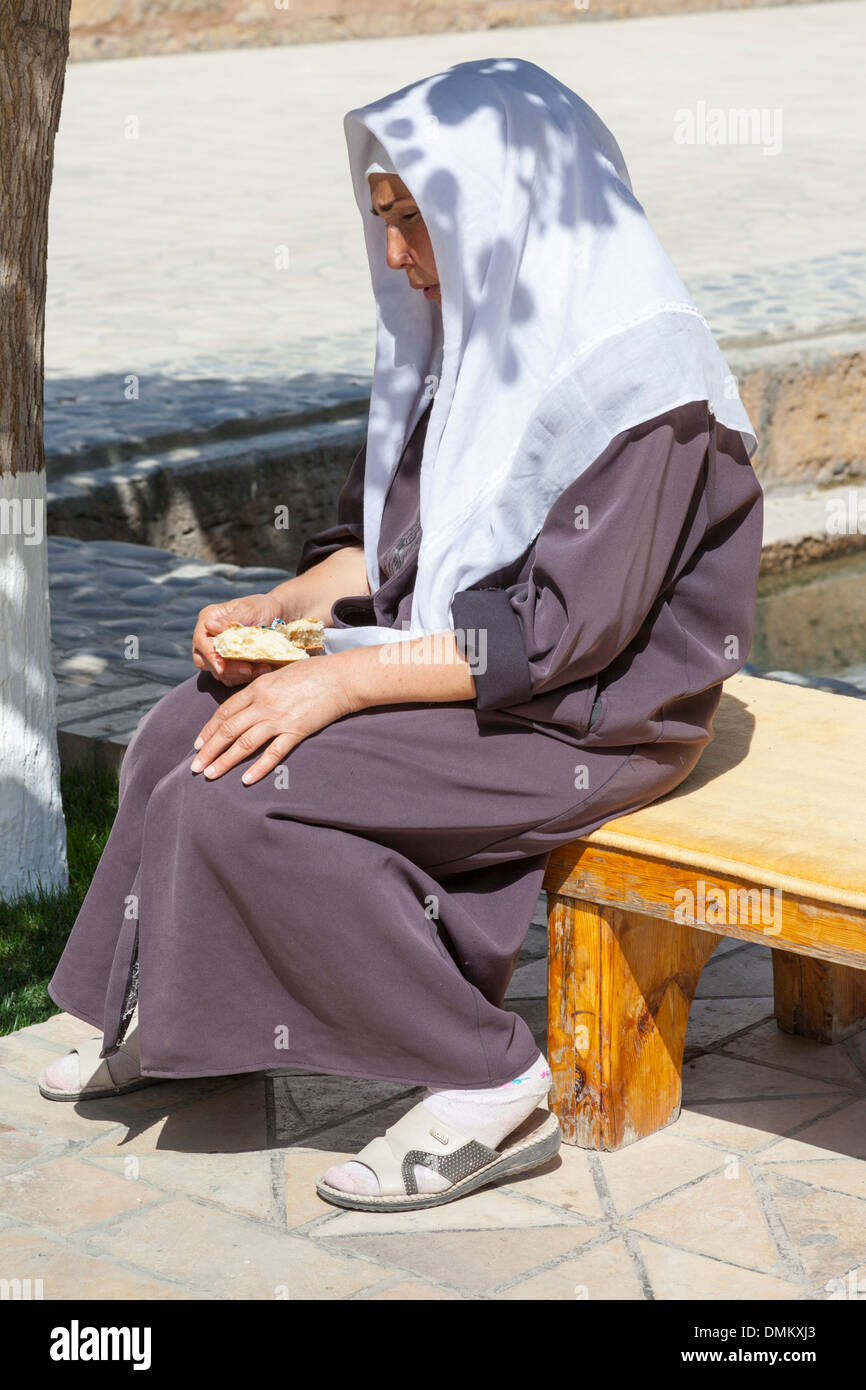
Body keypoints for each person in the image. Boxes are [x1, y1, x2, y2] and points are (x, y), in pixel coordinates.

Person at [37, 58, 763, 1213]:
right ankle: (185, 1019)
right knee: (179, 728)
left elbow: (560, 634)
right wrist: (287, 613)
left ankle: (492, 1080)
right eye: (381, 219)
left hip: (584, 714)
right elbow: (392, 550)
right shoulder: (470, 337)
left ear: (500, 205)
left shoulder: (642, 384)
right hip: (471, 667)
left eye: (412, 219)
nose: (391, 254)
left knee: (246, 789)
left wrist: (334, 691)